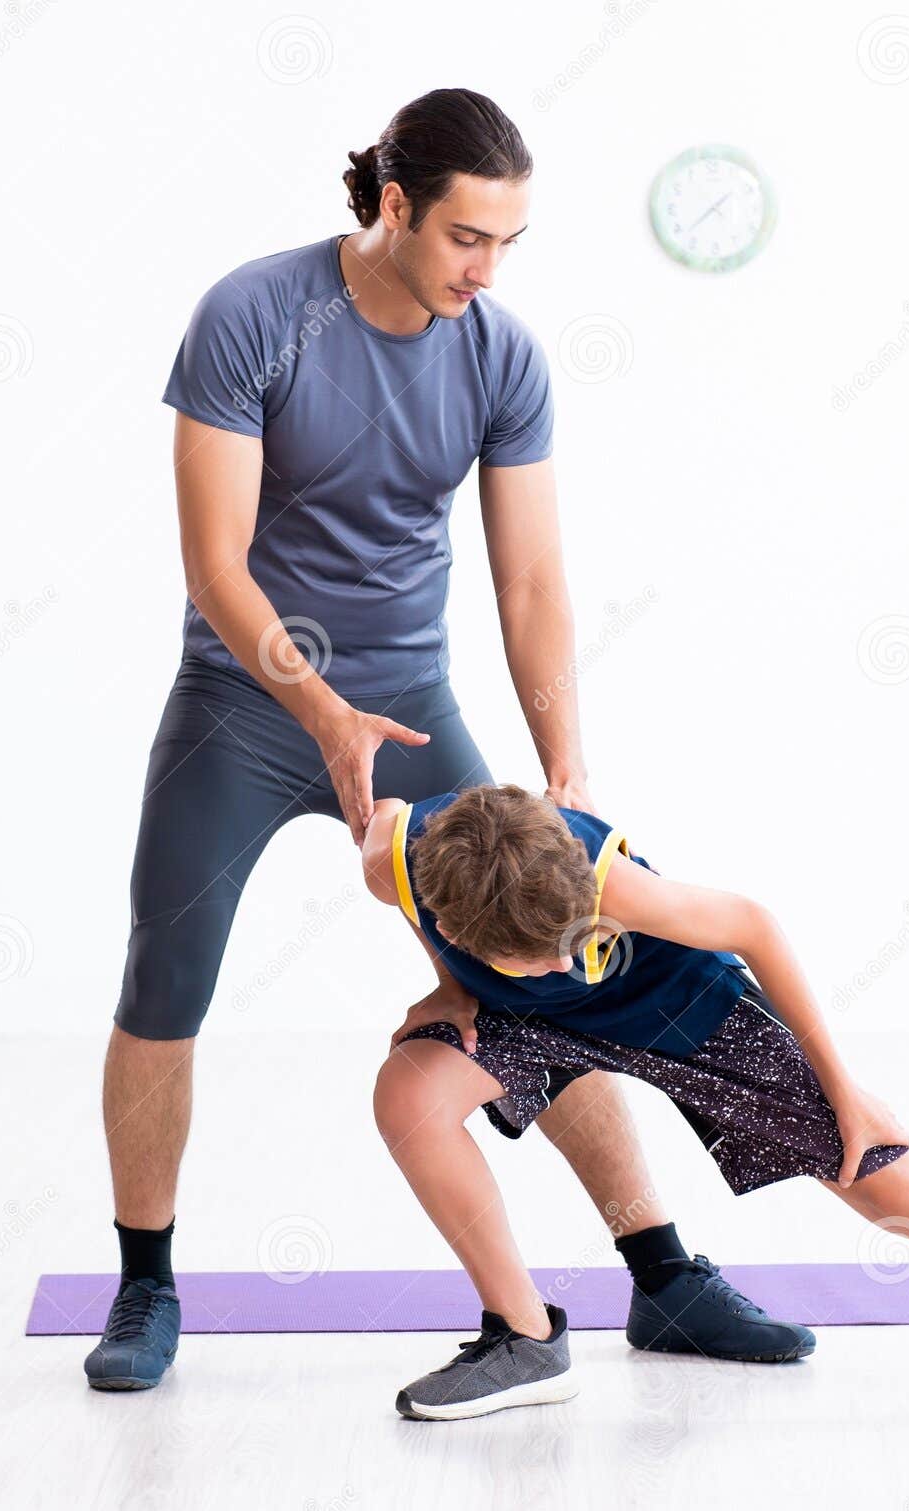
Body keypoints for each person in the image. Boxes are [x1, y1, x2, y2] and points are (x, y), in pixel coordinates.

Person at [85, 88, 808, 1393]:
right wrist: (318, 708)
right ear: (396, 204)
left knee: (549, 978)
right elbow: (215, 561)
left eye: (511, 243)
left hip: (414, 705)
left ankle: (666, 1279)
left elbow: (529, 584)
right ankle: (143, 1287)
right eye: (469, 237)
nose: (488, 268)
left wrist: (567, 771)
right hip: (244, 705)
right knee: (164, 984)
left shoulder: (500, 356)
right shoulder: (255, 316)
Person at [360, 784, 909, 1426]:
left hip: (685, 1009)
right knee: (407, 1093)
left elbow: (755, 924)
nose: (564, 959)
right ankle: (523, 1336)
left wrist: (845, 1091)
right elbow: (392, 850)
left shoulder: (609, 884)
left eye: (572, 943)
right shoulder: (398, 861)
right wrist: (450, 984)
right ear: (460, 923)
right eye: (537, 955)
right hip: (530, 1027)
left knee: (883, 1185)